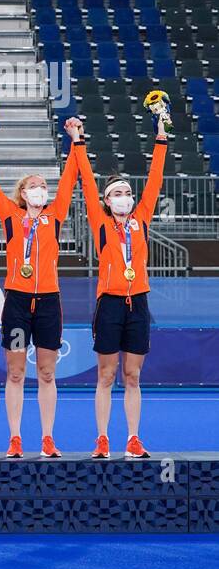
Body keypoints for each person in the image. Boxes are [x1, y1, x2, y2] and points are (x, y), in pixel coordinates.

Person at [0, 117, 85, 458]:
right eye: (33, 185)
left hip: (49, 302)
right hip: (18, 303)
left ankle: (48, 438)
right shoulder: (9, 214)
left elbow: (70, 178)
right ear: (22, 193)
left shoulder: (57, 213)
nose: (40, 189)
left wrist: (75, 140)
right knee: (17, 372)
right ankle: (15, 438)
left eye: (43, 185)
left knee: (48, 372)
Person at [75, 114, 168, 459]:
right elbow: (85, 180)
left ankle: (132, 438)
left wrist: (161, 137)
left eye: (128, 192)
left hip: (138, 302)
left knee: (132, 374)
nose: (125, 198)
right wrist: (79, 142)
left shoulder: (140, 220)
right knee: (106, 373)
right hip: (110, 303)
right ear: (106, 200)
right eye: (118, 193)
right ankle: (102, 438)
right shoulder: (100, 223)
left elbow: (156, 180)